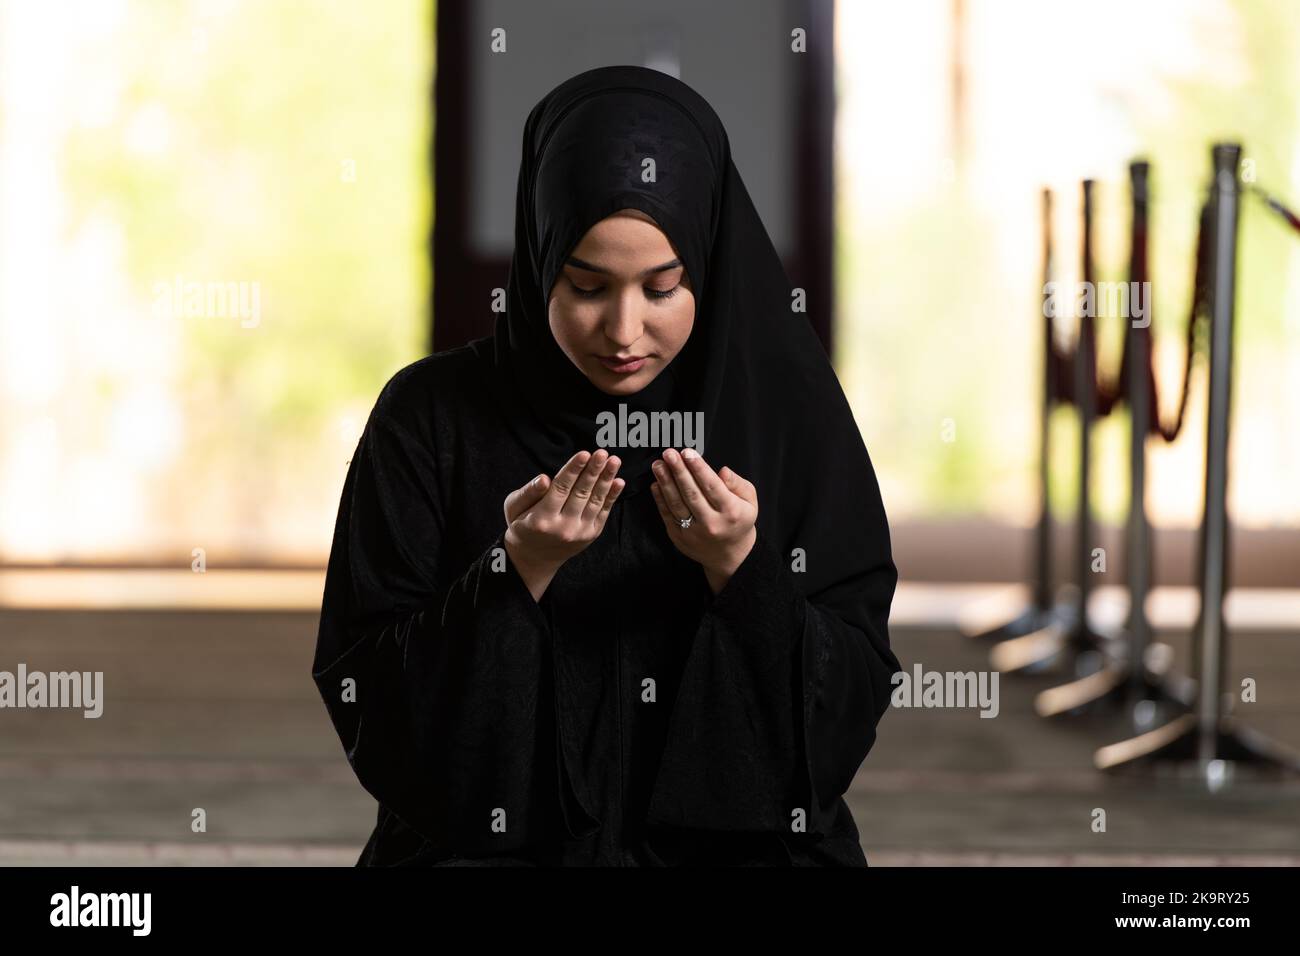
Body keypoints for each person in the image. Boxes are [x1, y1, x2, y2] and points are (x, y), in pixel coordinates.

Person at [311, 64, 901, 867]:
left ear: (709, 266)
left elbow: (851, 701)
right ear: (538, 258)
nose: (624, 331)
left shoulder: (787, 420)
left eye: (663, 289)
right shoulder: (431, 417)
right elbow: (365, 693)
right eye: (586, 286)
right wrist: (513, 571)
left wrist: (742, 570)